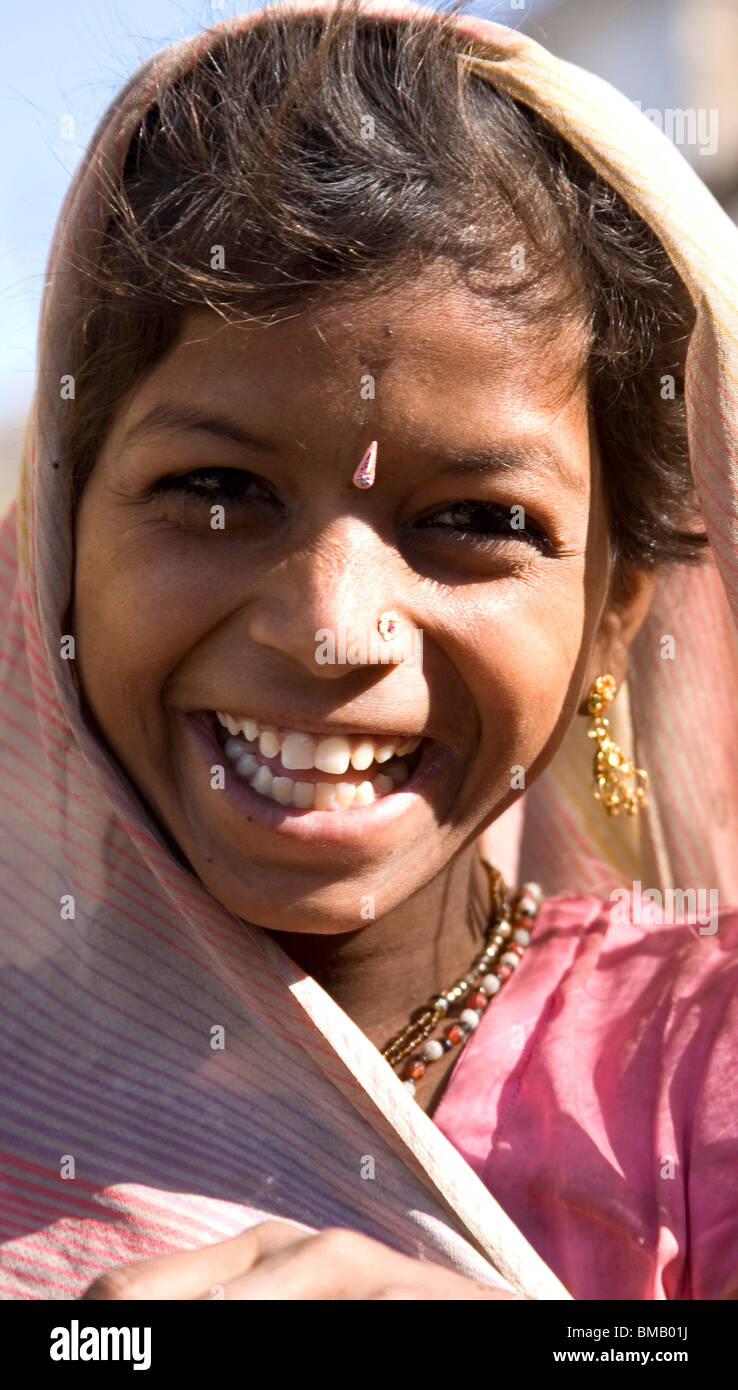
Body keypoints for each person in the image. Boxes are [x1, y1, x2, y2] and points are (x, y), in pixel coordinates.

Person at [1, 0, 737, 1301]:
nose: (332, 628)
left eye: (473, 521)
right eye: (218, 490)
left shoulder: (696, 1060)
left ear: (613, 603)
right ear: (60, 537)